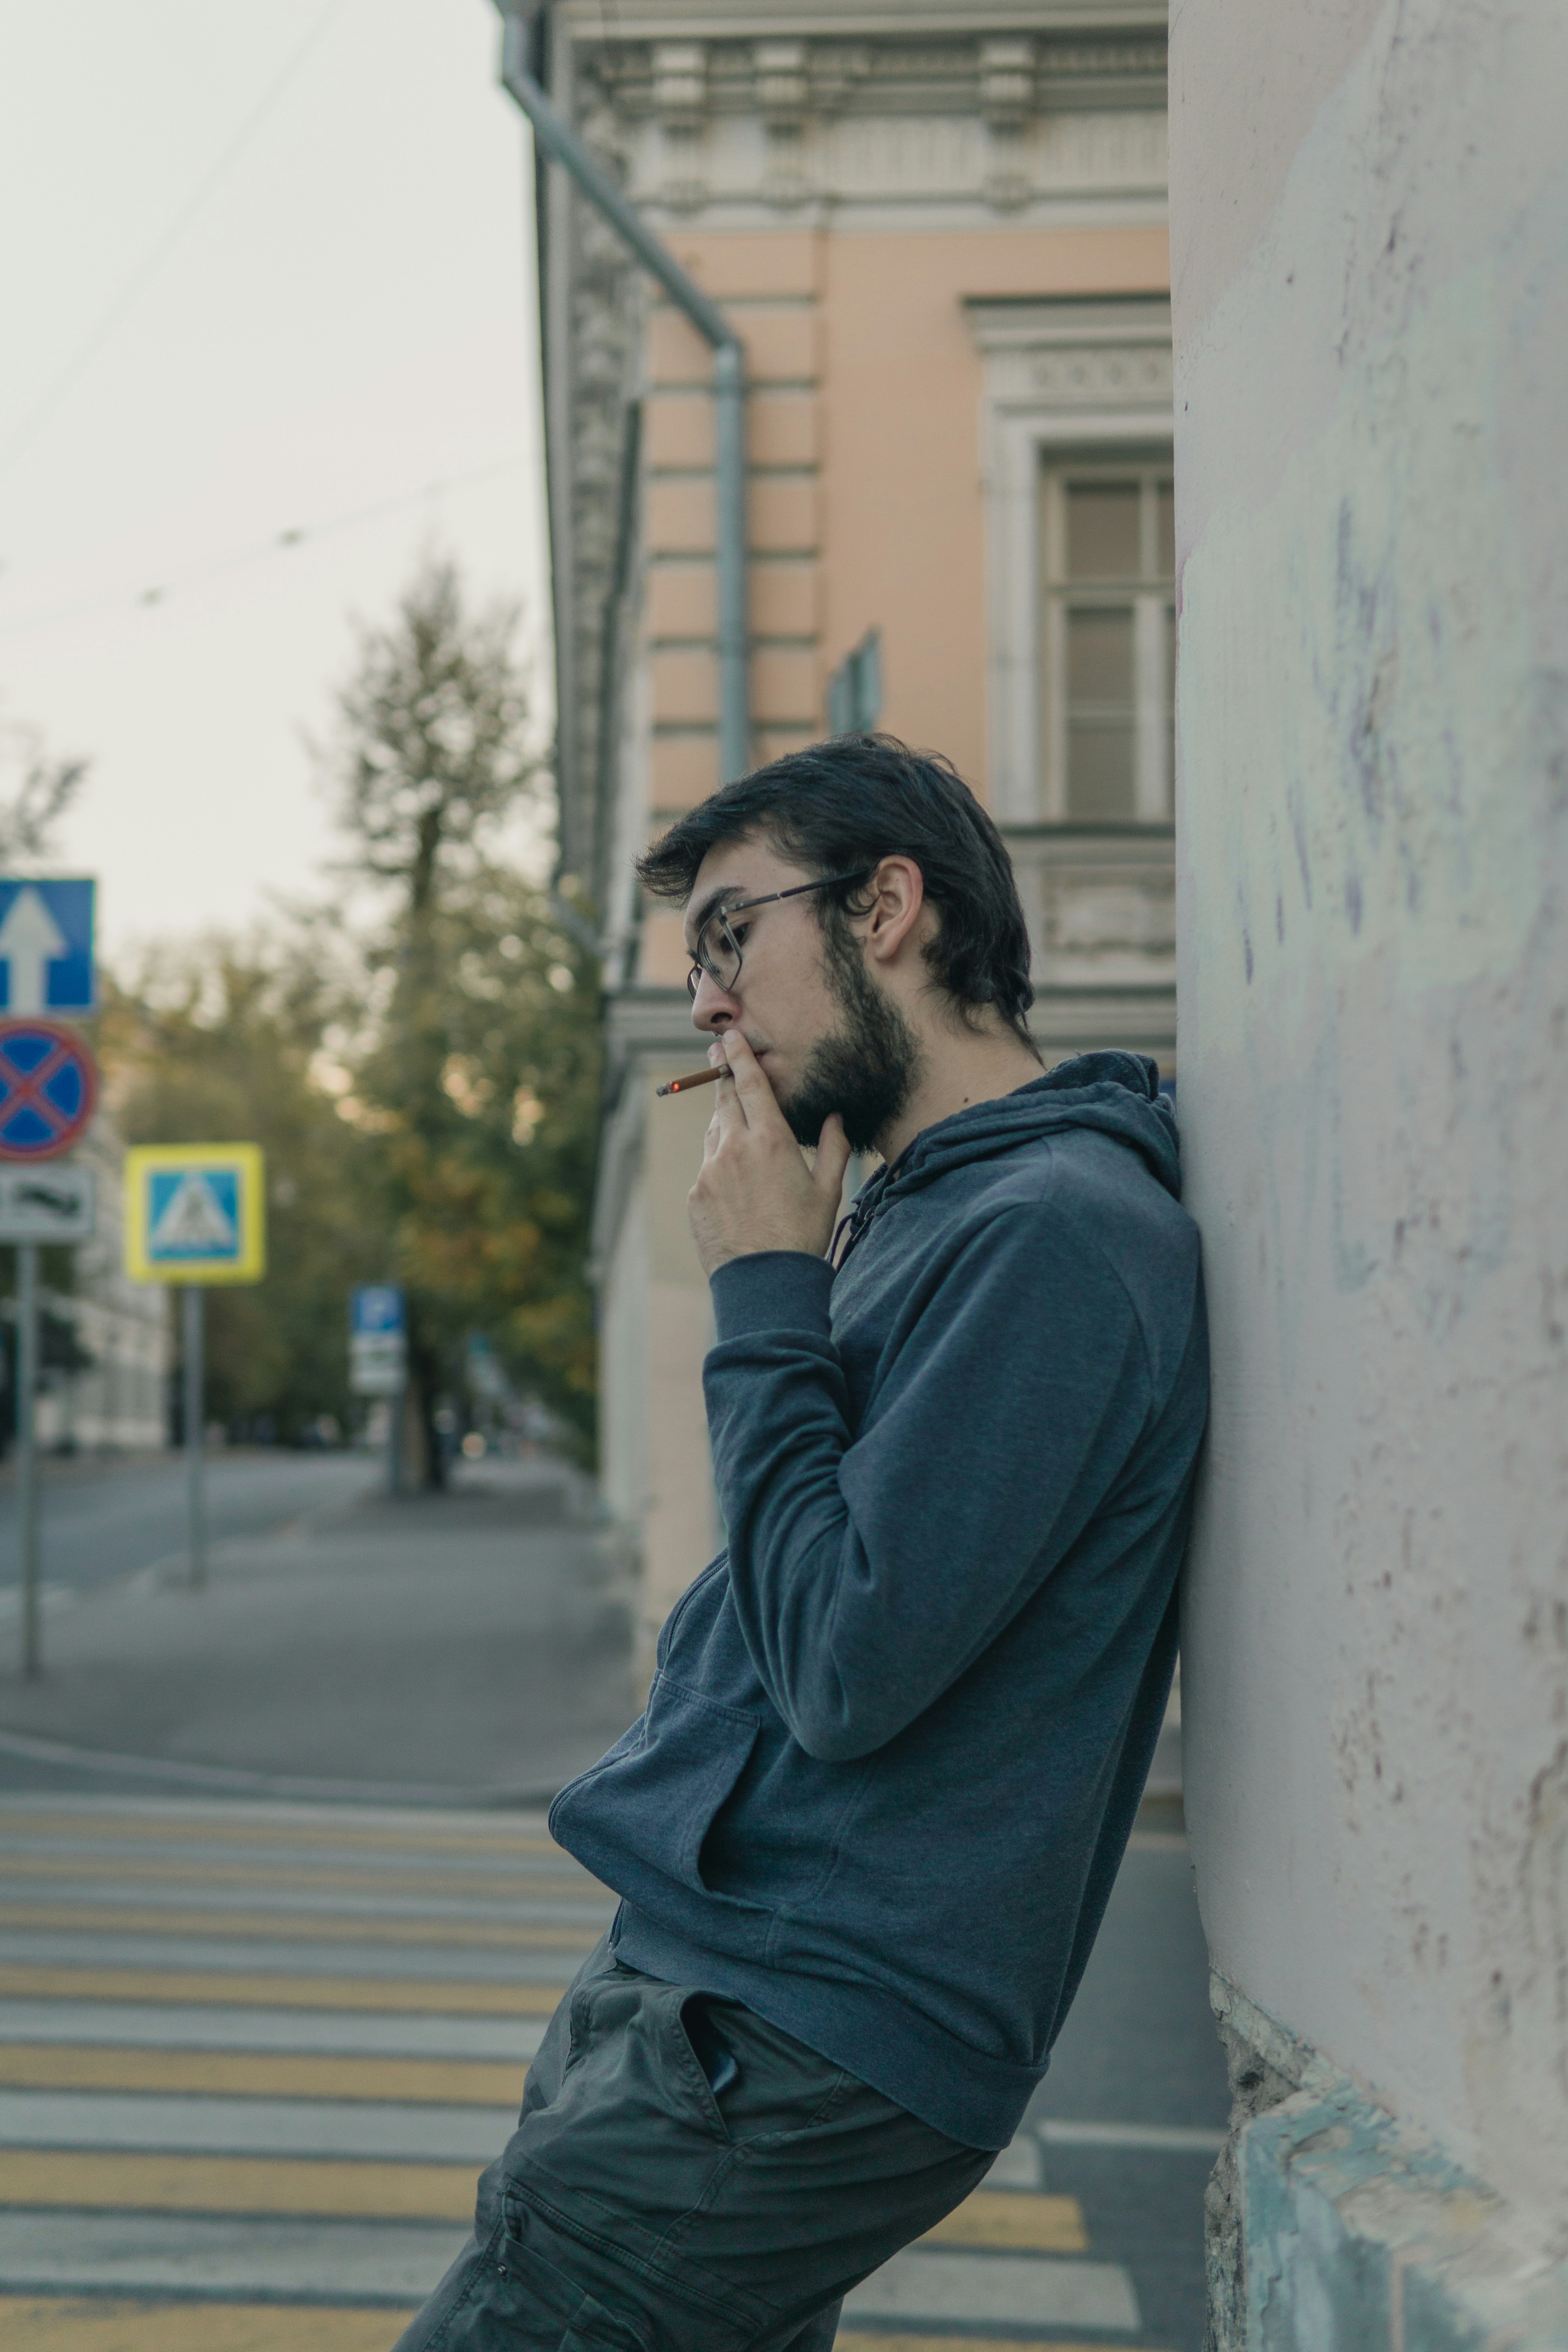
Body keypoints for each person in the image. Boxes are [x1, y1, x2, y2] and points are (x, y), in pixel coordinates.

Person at [396, 735, 1209, 2351]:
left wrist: (764, 1292)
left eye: (729, 935)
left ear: (886, 908)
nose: (706, 1002)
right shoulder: (932, 1210)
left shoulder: (1056, 1231)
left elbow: (842, 1661)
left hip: (790, 2031)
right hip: (717, 1996)